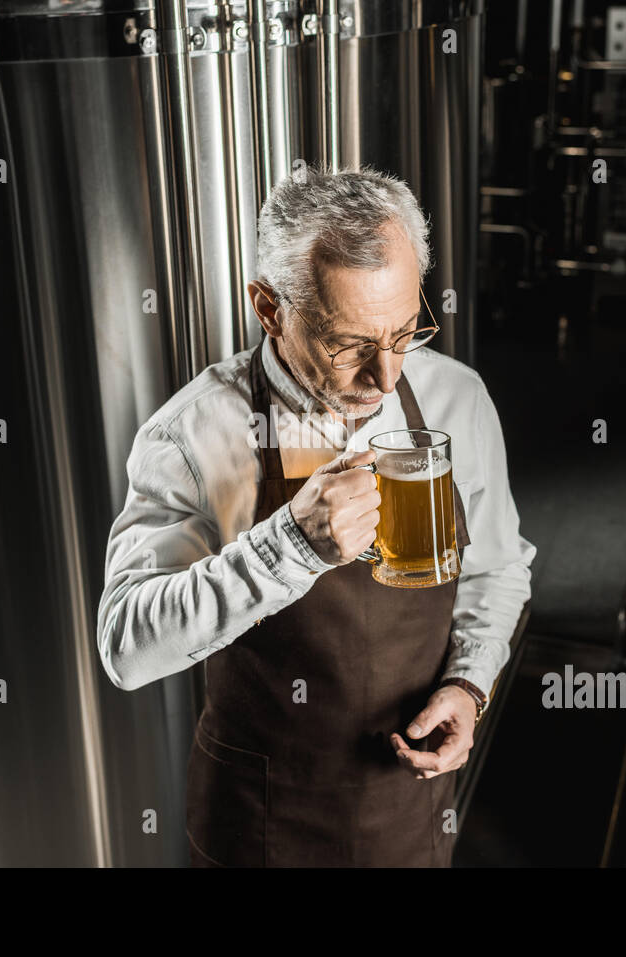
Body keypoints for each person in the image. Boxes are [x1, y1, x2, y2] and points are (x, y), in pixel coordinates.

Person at [97, 164, 536, 867]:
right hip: (261, 825)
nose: (387, 376)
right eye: (348, 344)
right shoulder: (195, 434)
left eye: (404, 332)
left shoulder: (457, 398)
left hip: (407, 811)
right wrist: (290, 546)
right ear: (270, 308)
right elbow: (125, 646)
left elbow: (498, 567)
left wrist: (469, 682)